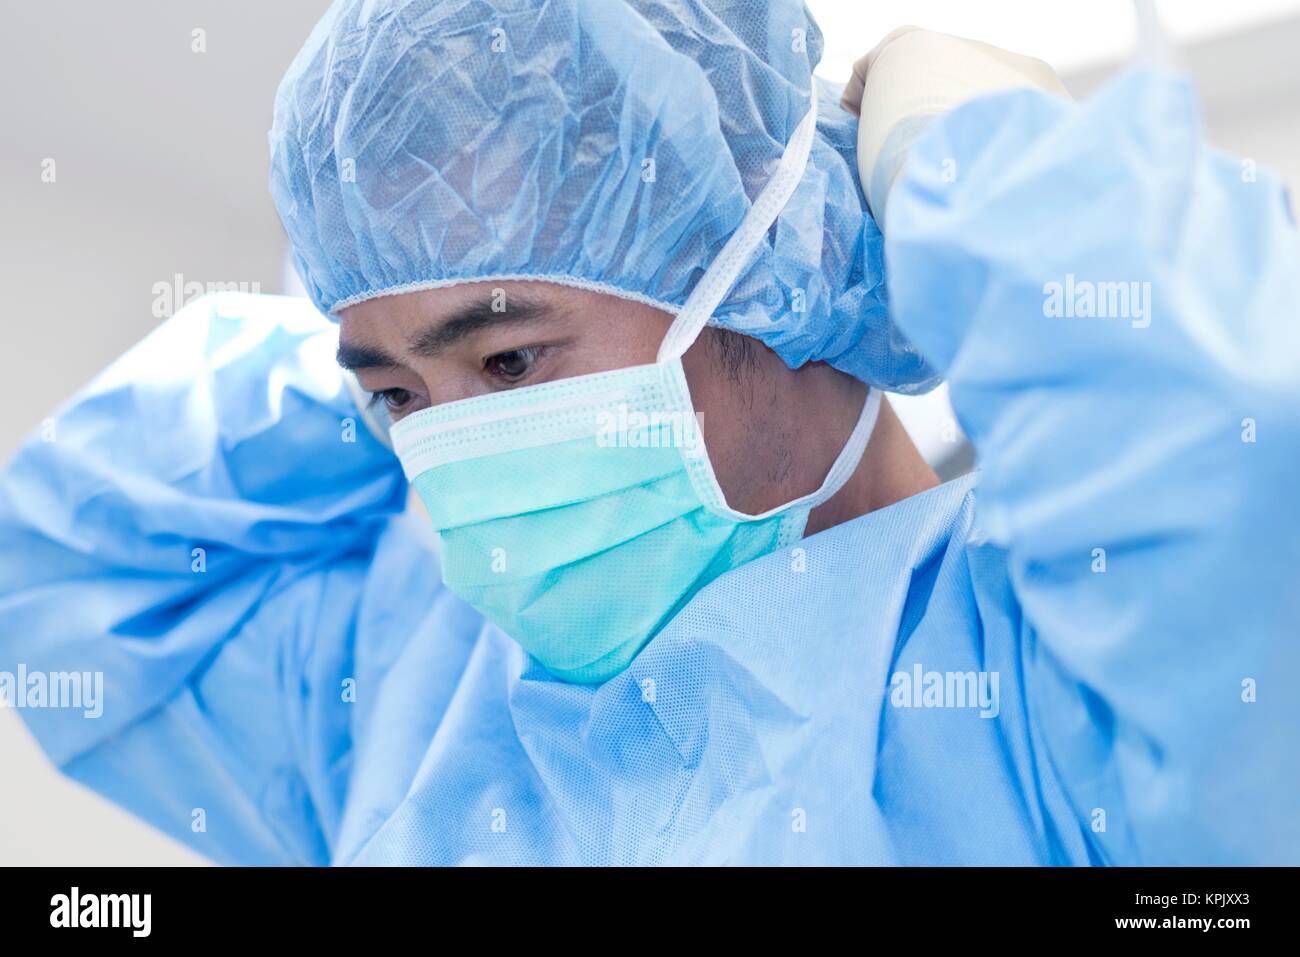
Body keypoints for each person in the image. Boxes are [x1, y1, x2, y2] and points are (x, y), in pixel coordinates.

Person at [1, 0, 1296, 865]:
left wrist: (975, 164)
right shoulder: (416, 684)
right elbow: (69, 566)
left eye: (510, 357)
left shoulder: (1055, 689)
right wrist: (380, 324)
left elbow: (1249, 449)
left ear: (774, 276)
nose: (456, 462)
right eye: (396, 401)